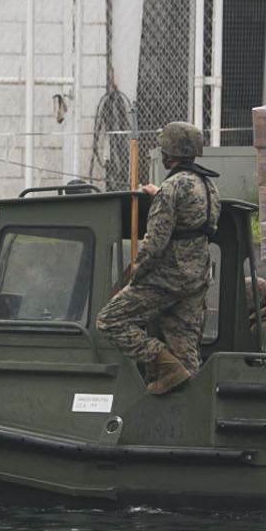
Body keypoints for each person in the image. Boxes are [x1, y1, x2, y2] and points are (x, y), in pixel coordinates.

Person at [95, 120, 217, 396]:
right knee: (184, 345)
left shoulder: (172, 188)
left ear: (169, 154)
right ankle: (189, 408)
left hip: (167, 277)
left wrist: (137, 273)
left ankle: (163, 363)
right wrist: (158, 195)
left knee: (110, 320)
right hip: (196, 278)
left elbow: (156, 240)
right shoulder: (209, 187)